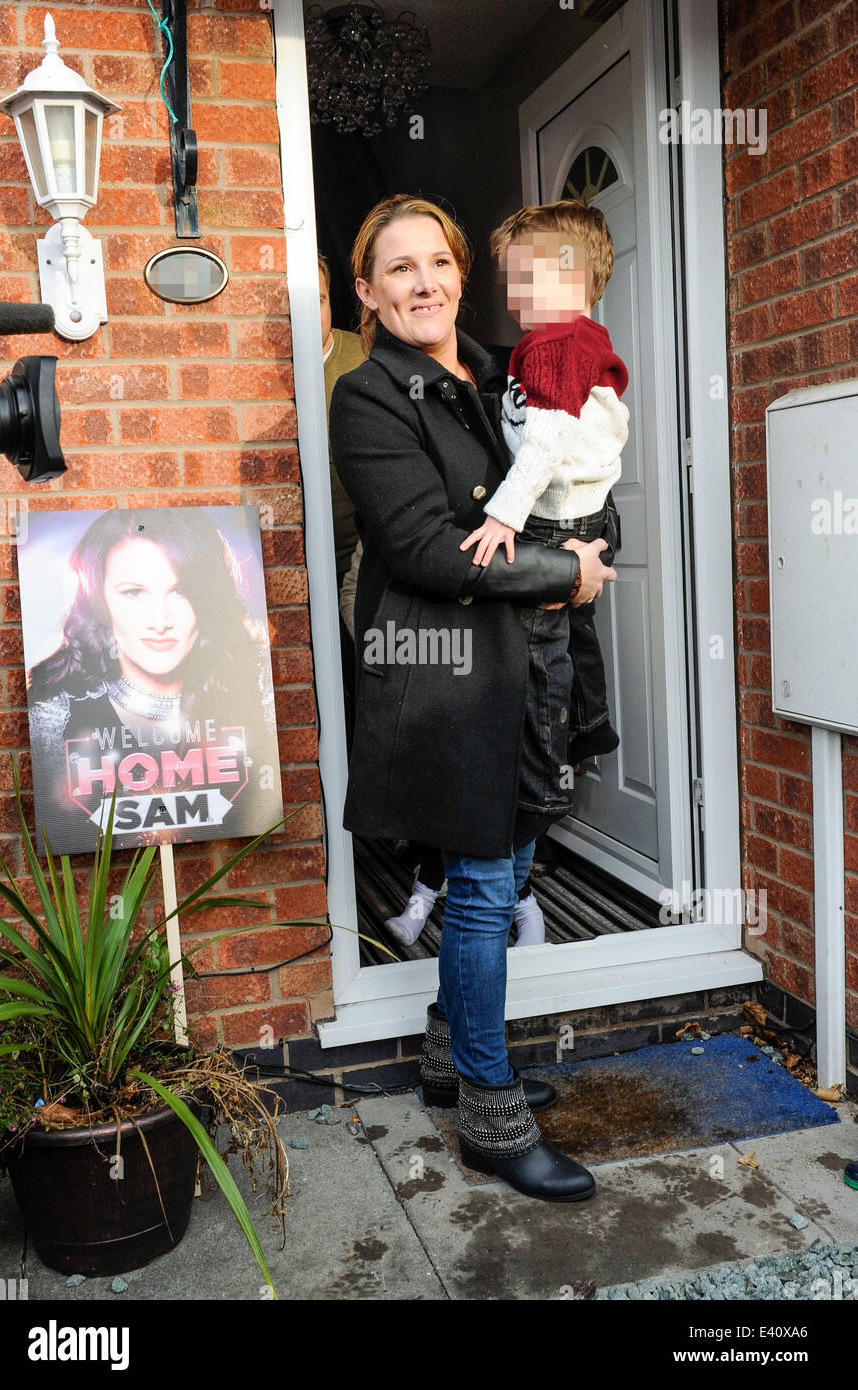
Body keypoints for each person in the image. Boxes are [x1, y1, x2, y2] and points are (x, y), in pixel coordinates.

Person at [329, 194, 616, 1201]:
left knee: (509, 863)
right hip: (449, 678)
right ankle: (493, 1115)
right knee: (489, 882)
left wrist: (586, 542)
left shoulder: (507, 368)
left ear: (461, 272)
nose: (425, 283)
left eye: (438, 262)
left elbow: (577, 481)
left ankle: (451, 1059)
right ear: (365, 292)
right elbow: (418, 548)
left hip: (533, 668)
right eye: (398, 268)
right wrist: (559, 567)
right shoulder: (368, 398)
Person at [461, 200, 629, 773]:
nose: (513, 295)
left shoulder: (557, 345)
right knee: (573, 624)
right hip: (583, 509)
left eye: (527, 276)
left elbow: (546, 441)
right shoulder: (570, 340)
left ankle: (549, 749)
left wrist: (505, 513)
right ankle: (591, 724)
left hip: (554, 513)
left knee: (541, 636)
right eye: (512, 279)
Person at [27, 508, 278, 854]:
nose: (160, 621)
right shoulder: (53, 721)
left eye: (181, 591)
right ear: (100, 602)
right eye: (133, 592)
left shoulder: (258, 695)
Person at [319, 253, 366, 747]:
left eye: (320, 300)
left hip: (360, 553)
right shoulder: (273, 368)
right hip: (301, 558)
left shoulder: (366, 356)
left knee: (366, 675)